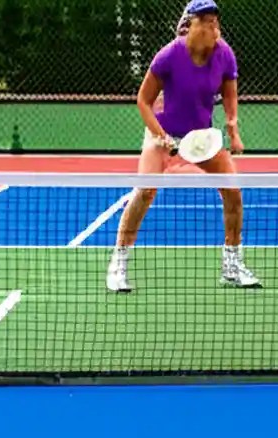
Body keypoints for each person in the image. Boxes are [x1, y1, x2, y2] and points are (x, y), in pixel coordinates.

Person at [107, 0, 259, 293]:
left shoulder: (225, 54)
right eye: (207, 21)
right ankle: (119, 263)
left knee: (233, 191)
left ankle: (231, 264)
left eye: (216, 21)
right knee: (145, 191)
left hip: (200, 140)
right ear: (191, 25)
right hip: (163, 134)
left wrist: (233, 129)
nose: (214, 27)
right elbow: (144, 101)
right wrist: (160, 135)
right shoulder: (169, 55)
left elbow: (230, 95)